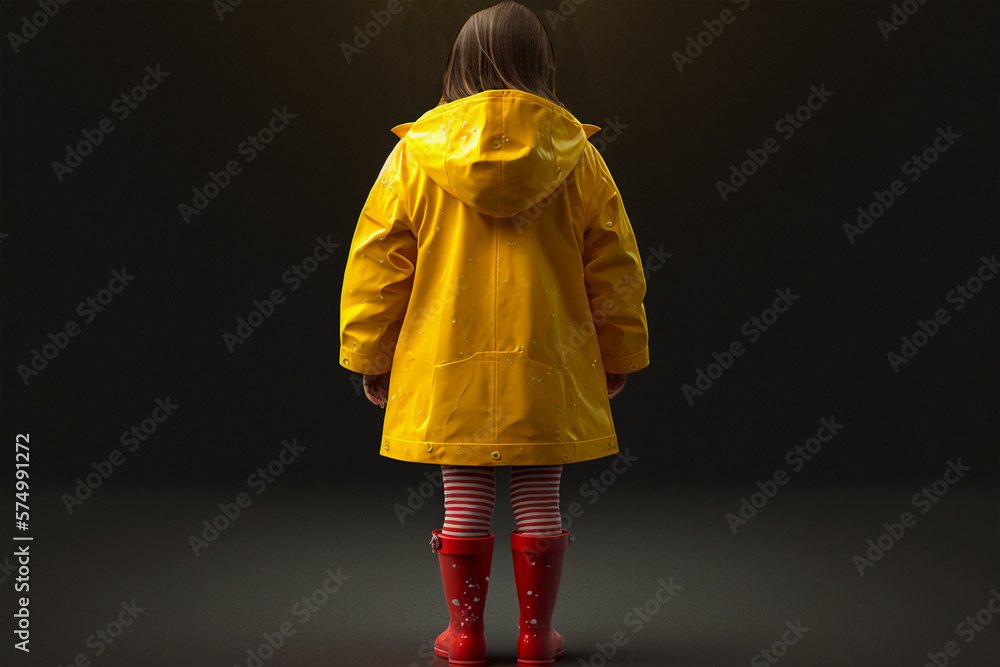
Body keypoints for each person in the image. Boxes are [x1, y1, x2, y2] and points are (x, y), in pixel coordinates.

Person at [338, 2, 649, 664]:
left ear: (457, 65)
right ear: (543, 66)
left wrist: (372, 355)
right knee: (540, 494)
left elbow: (377, 264)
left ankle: (466, 636)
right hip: (550, 362)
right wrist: (617, 353)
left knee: (464, 495)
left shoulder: (413, 157)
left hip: (448, 365)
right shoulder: (580, 158)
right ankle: (536, 637)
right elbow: (615, 268)